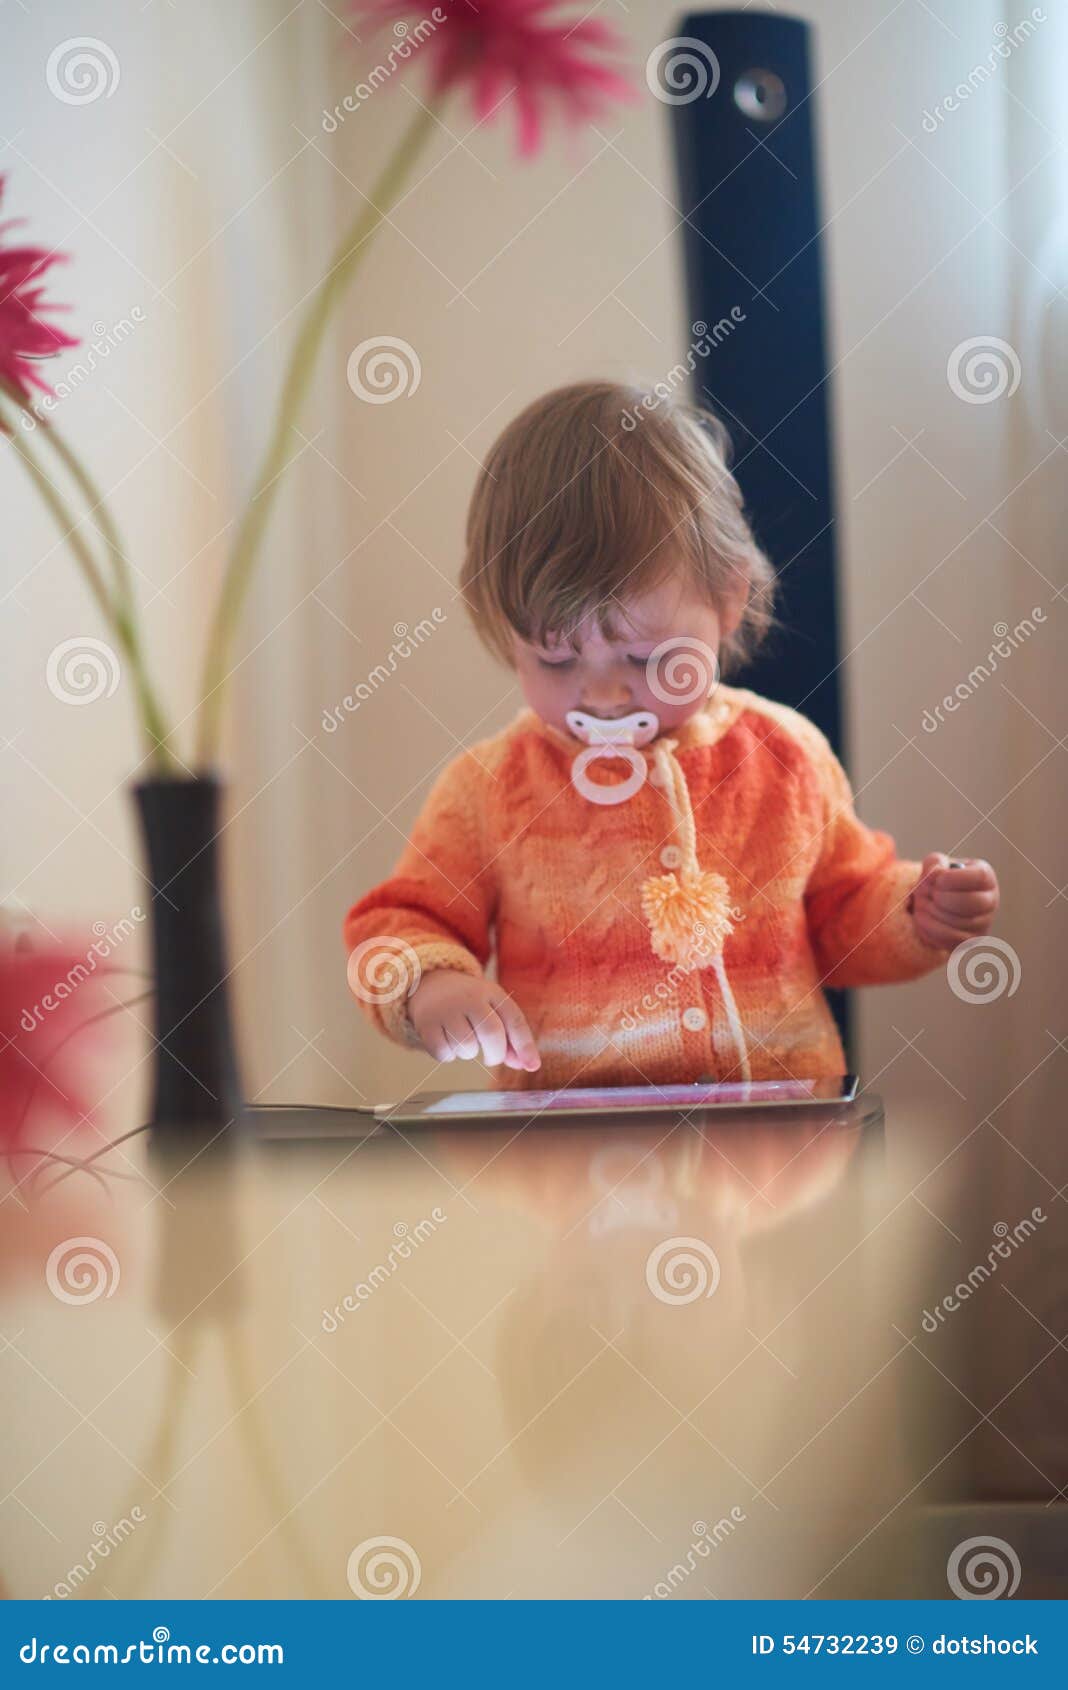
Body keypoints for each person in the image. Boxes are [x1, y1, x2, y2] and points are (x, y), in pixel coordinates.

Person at [342, 381, 1000, 1090]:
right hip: (574, 1167)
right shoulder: (491, 789)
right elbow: (400, 923)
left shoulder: (786, 755)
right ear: (508, 635)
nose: (602, 692)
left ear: (729, 597)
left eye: (646, 657)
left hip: (776, 1146)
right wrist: (430, 986)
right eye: (556, 660)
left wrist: (916, 913)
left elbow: (844, 914)